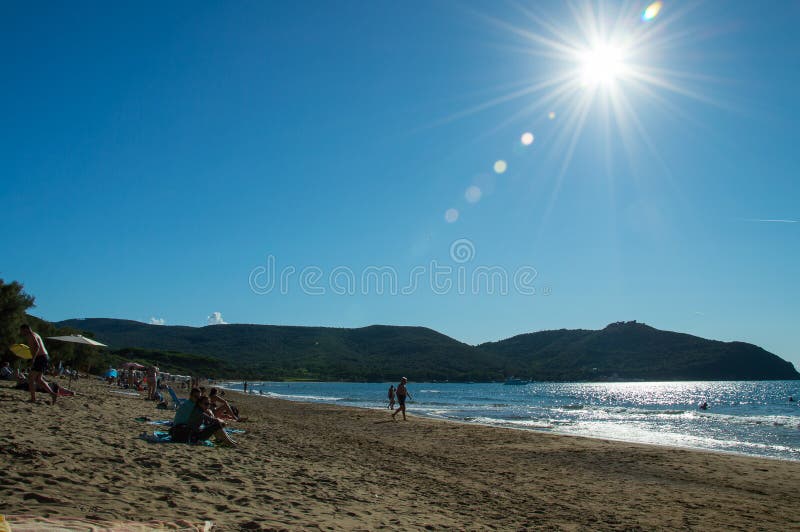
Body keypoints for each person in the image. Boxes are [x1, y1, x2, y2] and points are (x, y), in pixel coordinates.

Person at [20, 324, 57, 404]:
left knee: (30, 378)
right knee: (38, 379)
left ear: (26, 329)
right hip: (44, 357)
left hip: (40, 357)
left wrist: (33, 359)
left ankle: (33, 399)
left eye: (22, 331)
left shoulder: (31, 335)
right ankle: (53, 394)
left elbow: (37, 346)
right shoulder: (35, 334)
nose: (21, 332)